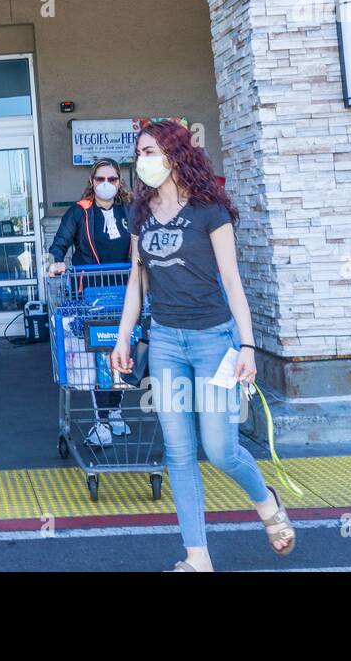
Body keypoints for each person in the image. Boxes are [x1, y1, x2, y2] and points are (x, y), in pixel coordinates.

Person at [112, 120, 296, 571]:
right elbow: (137, 280)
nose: (143, 161)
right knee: (178, 452)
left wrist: (248, 346)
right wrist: (124, 337)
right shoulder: (141, 214)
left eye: (150, 151)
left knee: (220, 449)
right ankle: (197, 558)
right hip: (167, 342)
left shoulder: (210, 211)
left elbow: (232, 281)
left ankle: (266, 501)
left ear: (174, 154)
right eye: (139, 153)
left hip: (214, 341)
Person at [47, 158, 135, 445]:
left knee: (121, 354)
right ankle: (102, 422)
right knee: (99, 355)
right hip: (90, 297)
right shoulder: (80, 212)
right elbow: (60, 242)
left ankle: (116, 413)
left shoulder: (130, 211)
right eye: (100, 179)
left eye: (112, 179)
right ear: (92, 182)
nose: (106, 184)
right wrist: (57, 261)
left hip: (124, 295)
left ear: (119, 182)